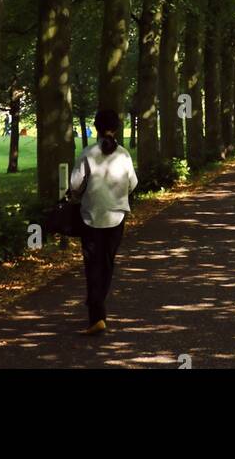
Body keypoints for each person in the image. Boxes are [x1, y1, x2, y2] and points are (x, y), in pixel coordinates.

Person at [70, 108, 137, 334]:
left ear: (96, 128)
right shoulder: (124, 155)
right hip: (116, 216)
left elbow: (74, 185)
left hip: (91, 216)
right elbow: (133, 184)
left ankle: (96, 314)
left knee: (92, 265)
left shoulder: (88, 154)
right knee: (107, 264)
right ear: (117, 128)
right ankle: (97, 309)